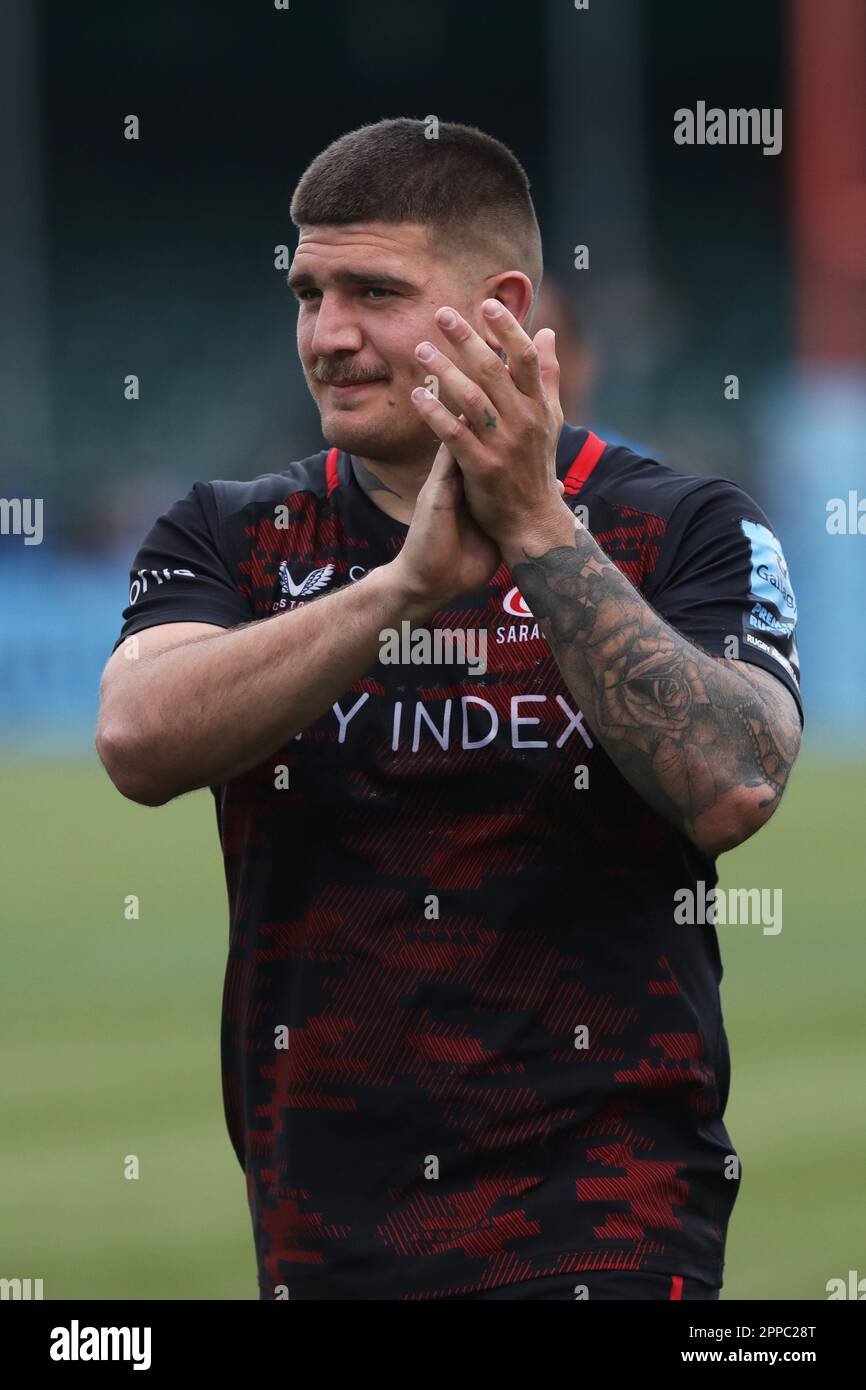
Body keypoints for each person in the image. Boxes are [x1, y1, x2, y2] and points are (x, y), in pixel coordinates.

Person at [96, 117, 803, 1302]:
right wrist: (403, 591)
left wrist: (534, 532)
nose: (327, 335)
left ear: (500, 305)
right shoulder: (229, 534)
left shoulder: (684, 529)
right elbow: (136, 739)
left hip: (609, 1218)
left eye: (372, 290)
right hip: (322, 1225)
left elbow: (733, 778)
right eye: (307, 291)